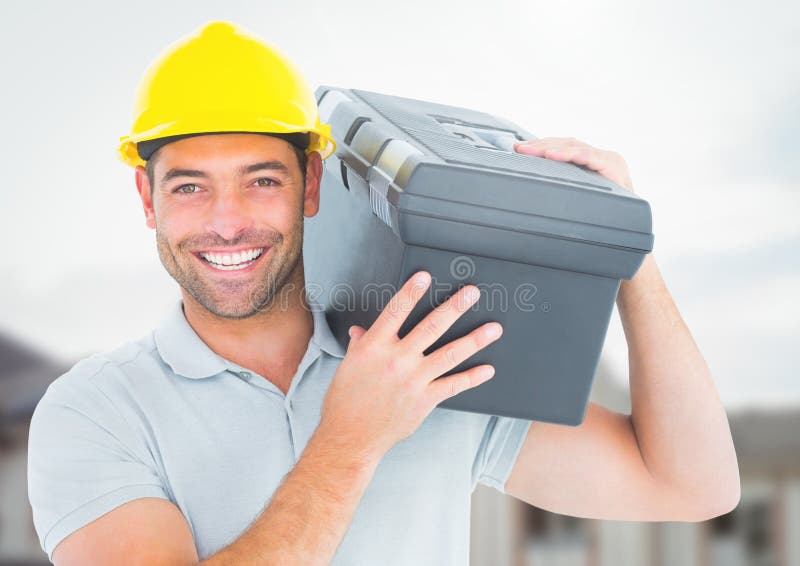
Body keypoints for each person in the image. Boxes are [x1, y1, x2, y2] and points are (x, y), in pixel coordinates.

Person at [27, 20, 740, 566]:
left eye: (262, 180)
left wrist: (623, 243)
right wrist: (352, 439)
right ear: (146, 200)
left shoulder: (423, 362)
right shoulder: (95, 412)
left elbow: (692, 486)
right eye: (189, 187)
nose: (227, 221)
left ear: (310, 184)